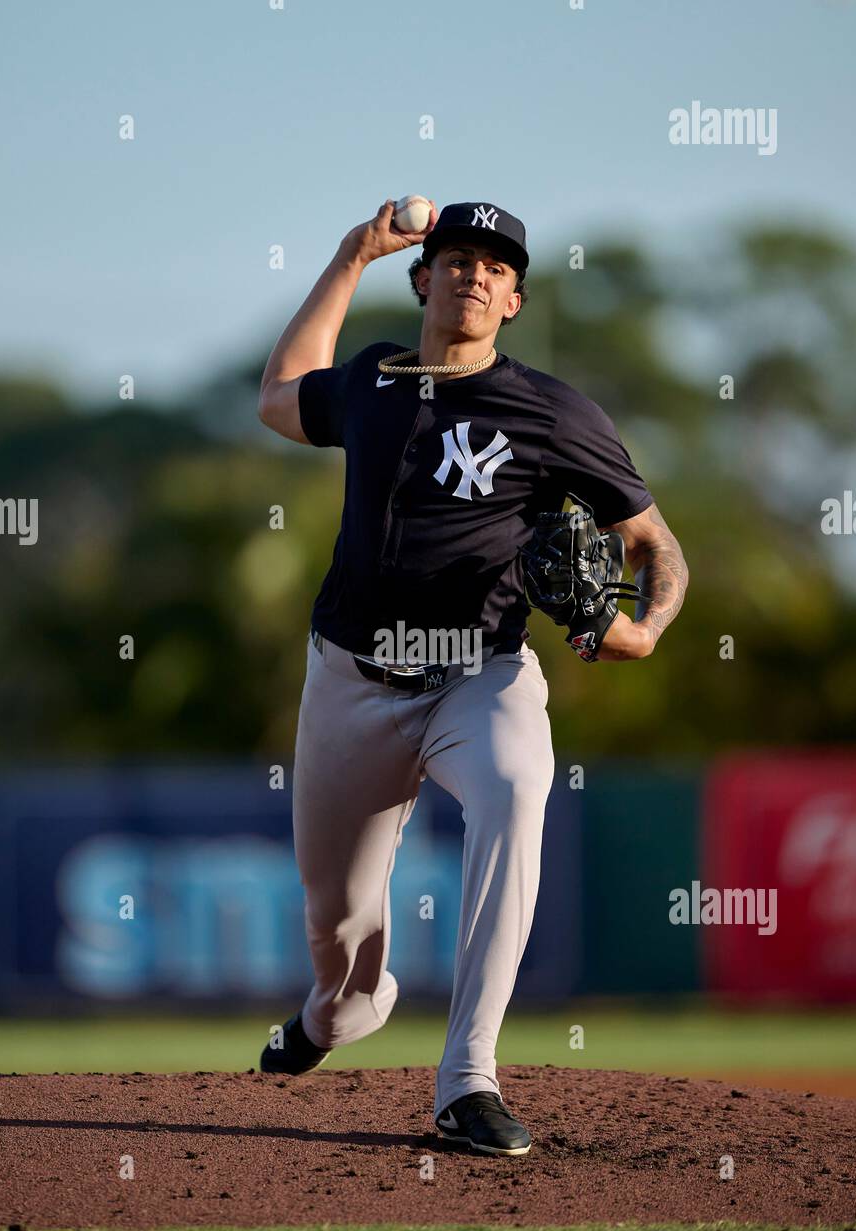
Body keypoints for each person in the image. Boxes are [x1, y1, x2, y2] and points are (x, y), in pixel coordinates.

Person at [257, 199, 688, 1156]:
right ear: (423, 278)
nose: (475, 274)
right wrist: (350, 251)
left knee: (517, 792)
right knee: (337, 922)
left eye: (497, 266)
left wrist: (647, 627)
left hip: (479, 675)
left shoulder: (548, 409)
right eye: (457, 258)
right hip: (350, 681)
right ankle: (336, 1015)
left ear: (516, 299)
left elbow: (656, 542)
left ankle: (467, 1080)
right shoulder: (369, 379)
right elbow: (279, 393)